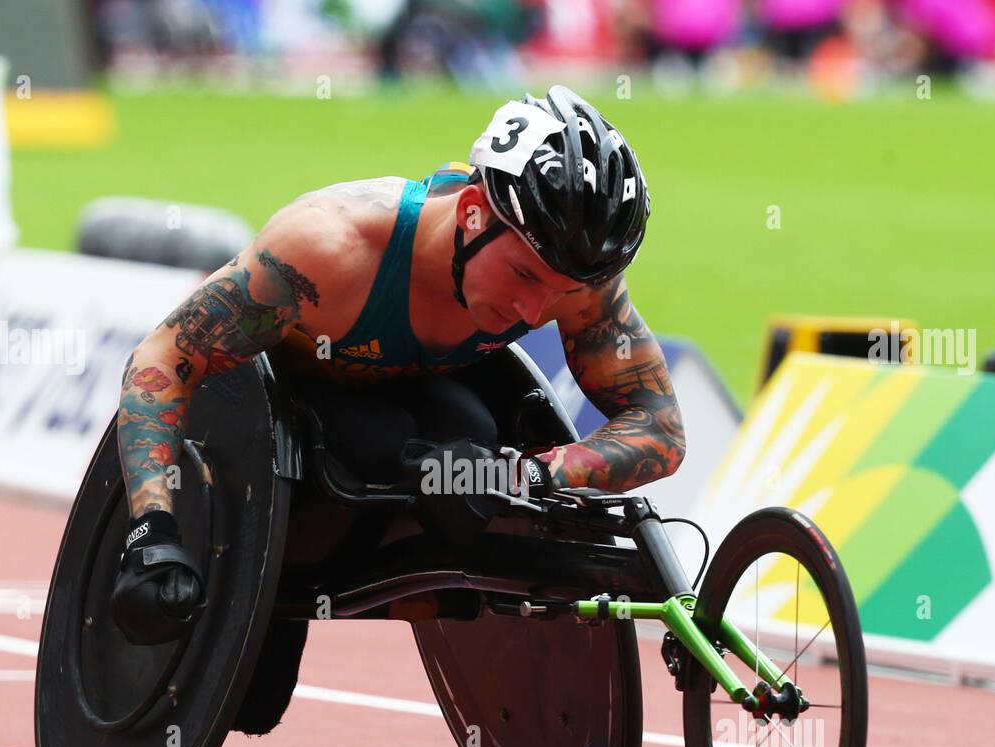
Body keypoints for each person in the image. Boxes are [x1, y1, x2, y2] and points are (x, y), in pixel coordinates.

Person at [111, 84, 685, 644]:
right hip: (285, 424)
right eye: (524, 276)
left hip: (427, 405)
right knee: (387, 438)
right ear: (472, 213)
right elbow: (164, 357)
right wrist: (151, 531)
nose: (535, 312)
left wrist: (528, 474)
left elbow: (660, 429)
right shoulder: (326, 249)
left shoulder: (576, 275)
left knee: (470, 441)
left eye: (561, 292)